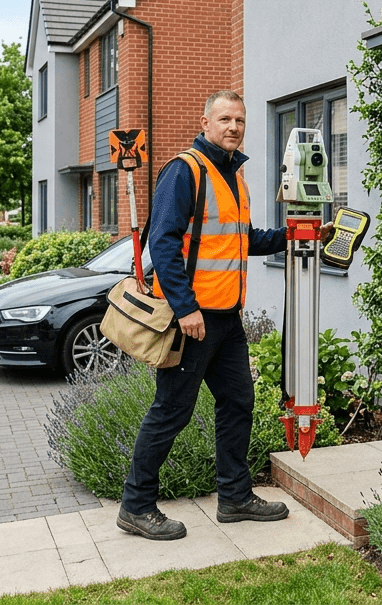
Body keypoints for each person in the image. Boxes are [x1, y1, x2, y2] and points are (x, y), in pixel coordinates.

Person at [117, 89, 329, 541]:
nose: (234, 127)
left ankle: (234, 497)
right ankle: (135, 506)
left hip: (227, 318)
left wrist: (299, 234)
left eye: (240, 120)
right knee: (171, 410)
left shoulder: (234, 177)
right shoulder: (185, 170)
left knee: (238, 403)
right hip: (192, 320)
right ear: (206, 122)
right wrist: (184, 306)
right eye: (225, 119)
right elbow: (164, 242)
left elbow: (242, 238)